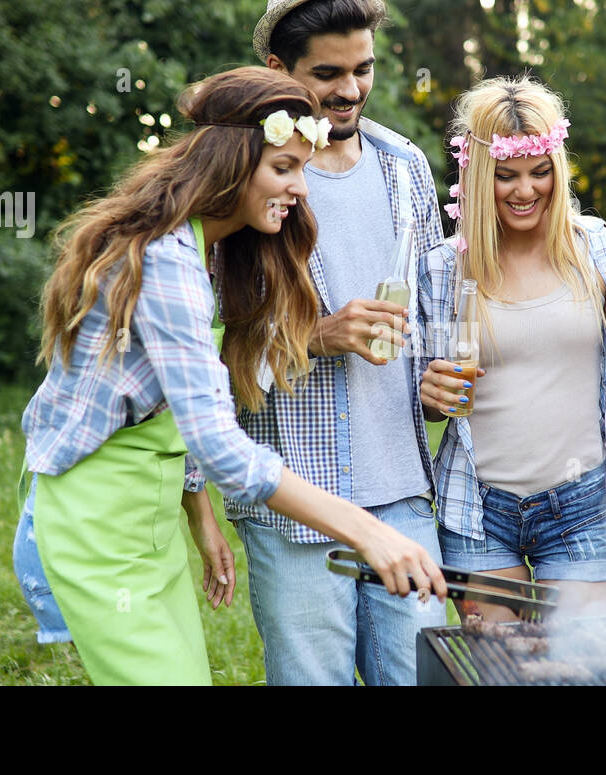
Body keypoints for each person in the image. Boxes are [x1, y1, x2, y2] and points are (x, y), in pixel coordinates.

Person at [14, 66, 445, 685]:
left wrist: (194, 515)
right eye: (283, 168)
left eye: (302, 168)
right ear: (234, 162)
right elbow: (220, 444)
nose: (300, 187)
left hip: (147, 516)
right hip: (98, 525)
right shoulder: (167, 262)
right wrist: (365, 530)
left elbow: (188, 400)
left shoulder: (212, 249)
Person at [213, 0, 446, 685]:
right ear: (277, 69)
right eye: (329, 73)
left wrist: (435, 382)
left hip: (402, 493)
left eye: (363, 69)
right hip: (294, 504)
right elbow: (199, 365)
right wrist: (317, 337)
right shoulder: (246, 181)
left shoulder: (405, 166)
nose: (350, 89)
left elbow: (427, 320)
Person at [418, 75, 606, 619]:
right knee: (498, 672)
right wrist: (429, 394)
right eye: (506, 176)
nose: (525, 191)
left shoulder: (596, 250)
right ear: (479, 176)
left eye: (540, 172)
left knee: (577, 670)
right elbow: (426, 399)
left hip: (580, 505)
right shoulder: (442, 268)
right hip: (479, 508)